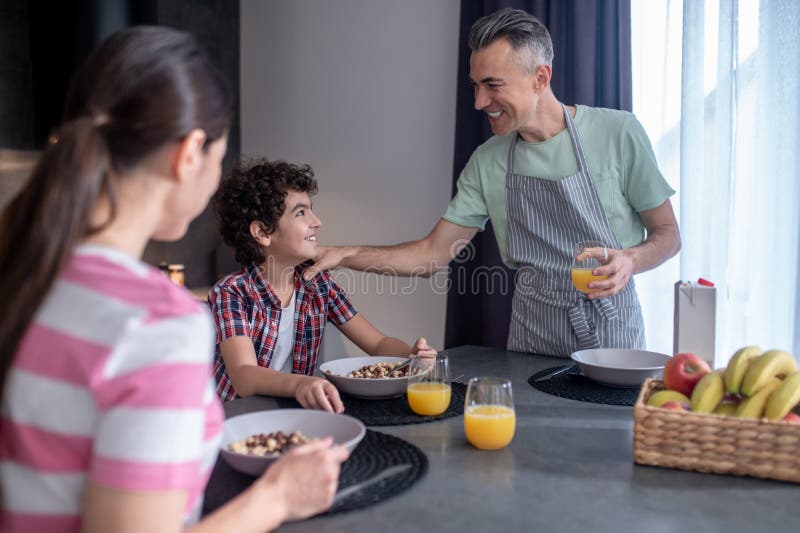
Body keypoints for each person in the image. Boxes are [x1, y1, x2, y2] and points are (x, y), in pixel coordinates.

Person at [0, 26, 348, 532]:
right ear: (188, 155)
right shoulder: (158, 325)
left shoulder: (23, 272)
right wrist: (277, 498)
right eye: (218, 157)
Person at [304, 8, 681, 357]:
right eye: (475, 86)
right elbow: (431, 254)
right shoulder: (488, 161)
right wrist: (345, 254)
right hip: (532, 338)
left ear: (541, 78)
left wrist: (631, 259)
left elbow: (668, 235)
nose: (479, 101)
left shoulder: (617, 133)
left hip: (612, 335)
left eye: (492, 85)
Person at [209, 158, 437, 411]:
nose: (317, 221)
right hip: (236, 418)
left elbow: (378, 344)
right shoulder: (232, 292)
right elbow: (244, 376)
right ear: (263, 232)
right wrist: (301, 384)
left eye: (311, 209)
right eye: (301, 212)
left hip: (291, 412)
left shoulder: (318, 284)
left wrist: (412, 356)